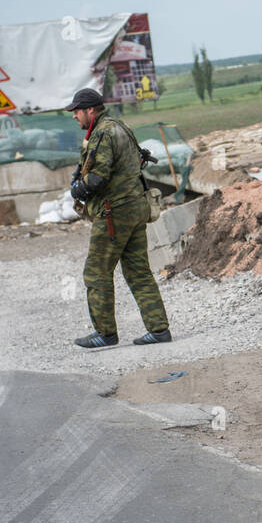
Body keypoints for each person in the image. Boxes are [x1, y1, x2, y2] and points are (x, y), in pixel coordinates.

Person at [65, 88, 172, 348]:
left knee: (97, 272)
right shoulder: (119, 127)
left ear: (91, 110)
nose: (74, 117)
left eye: (77, 111)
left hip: (115, 212)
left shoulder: (102, 132)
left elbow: (98, 177)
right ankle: (158, 330)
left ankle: (105, 333)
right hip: (135, 207)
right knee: (138, 271)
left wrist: (78, 188)